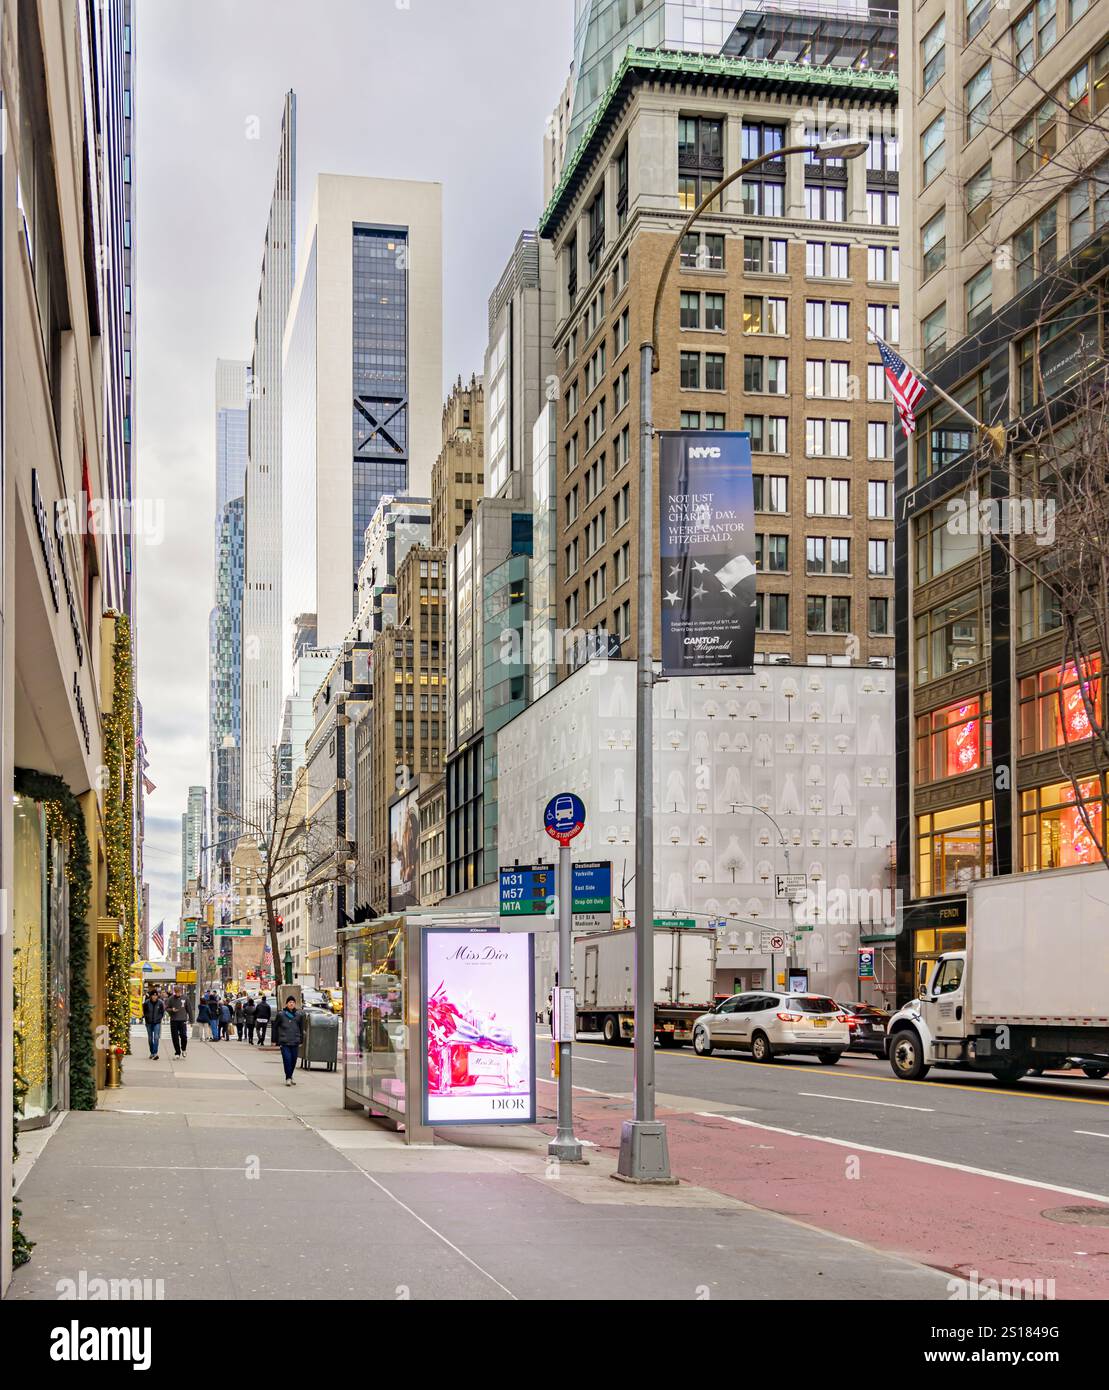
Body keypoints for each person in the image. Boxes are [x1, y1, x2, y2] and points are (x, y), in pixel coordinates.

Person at [273, 995, 305, 1086]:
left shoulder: (299, 1015)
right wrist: (275, 1040)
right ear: (286, 1004)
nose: (291, 1003)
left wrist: (301, 1040)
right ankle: (288, 1078)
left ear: (295, 1004)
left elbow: (301, 1028)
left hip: (295, 1041)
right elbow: (275, 1027)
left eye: (293, 1002)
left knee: (293, 1060)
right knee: (287, 1060)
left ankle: (290, 1076)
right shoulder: (281, 1014)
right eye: (289, 1002)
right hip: (284, 1041)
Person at [165, 988, 191, 1059]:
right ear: (174, 992)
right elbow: (166, 1008)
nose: (177, 994)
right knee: (175, 1037)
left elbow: (189, 1009)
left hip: (182, 1020)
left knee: (184, 1036)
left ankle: (183, 1049)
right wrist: (171, 1010)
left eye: (179, 992)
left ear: (181, 991)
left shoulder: (185, 998)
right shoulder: (171, 999)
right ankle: (177, 1052)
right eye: (176, 992)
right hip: (174, 1020)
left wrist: (191, 1020)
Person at [142, 988, 165, 1060]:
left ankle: (155, 1053)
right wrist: (146, 1018)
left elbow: (162, 1012)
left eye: (156, 995)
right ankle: (151, 1052)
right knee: (150, 1038)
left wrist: (159, 1018)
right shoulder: (146, 1003)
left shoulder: (160, 1003)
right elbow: (144, 1012)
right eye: (153, 995)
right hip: (148, 1023)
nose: (155, 997)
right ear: (151, 996)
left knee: (156, 1037)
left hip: (157, 1023)